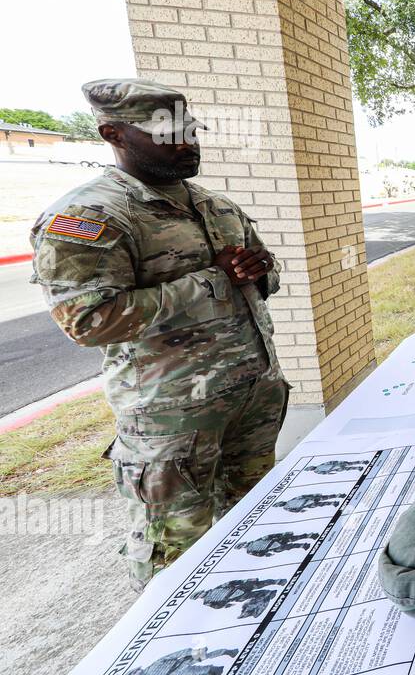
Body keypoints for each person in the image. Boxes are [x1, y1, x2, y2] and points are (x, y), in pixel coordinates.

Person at [30, 78, 287, 591]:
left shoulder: (215, 206)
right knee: (177, 560)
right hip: (172, 422)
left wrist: (260, 269)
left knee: (261, 535)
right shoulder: (89, 216)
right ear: (114, 134)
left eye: (189, 130)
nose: (187, 143)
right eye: (167, 134)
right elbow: (90, 321)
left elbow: (262, 280)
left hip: (251, 401)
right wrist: (213, 281)